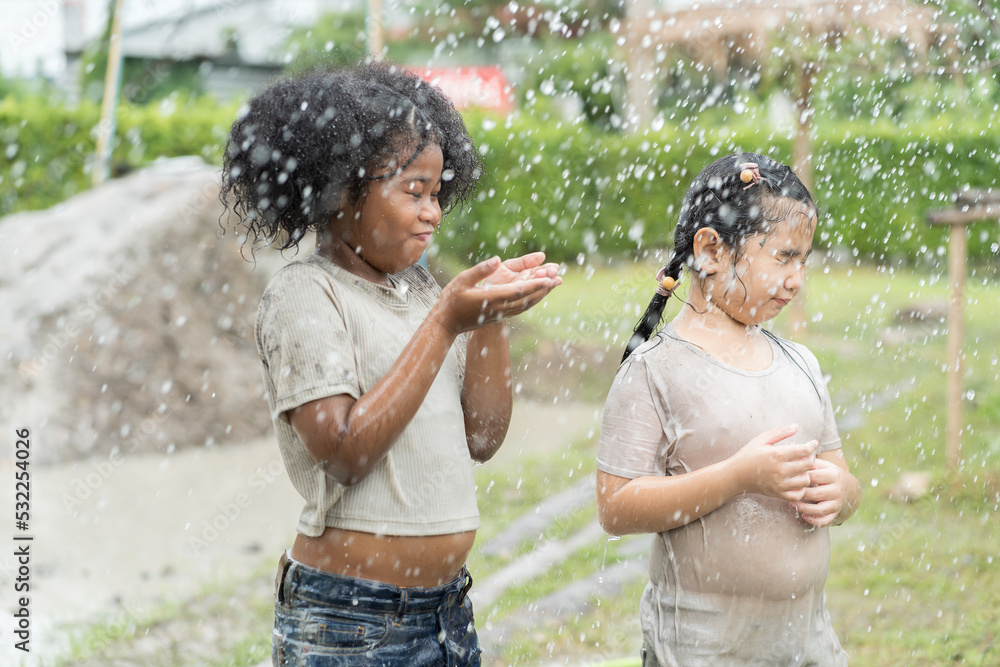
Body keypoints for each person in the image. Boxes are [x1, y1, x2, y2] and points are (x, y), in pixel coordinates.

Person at [220, 61, 561, 666]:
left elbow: (481, 438)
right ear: (340, 191)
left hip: (445, 612)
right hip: (350, 621)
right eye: (413, 191)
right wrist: (448, 322)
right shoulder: (306, 293)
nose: (432, 211)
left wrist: (487, 326)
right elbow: (345, 452)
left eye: (436, 193)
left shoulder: (423, 293)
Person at [596, 153, 861, 666]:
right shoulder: (657, 370)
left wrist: (841, 495)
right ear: (711, 249)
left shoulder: (800, 363)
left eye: (804, 260)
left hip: (804, 644)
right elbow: (615, 507)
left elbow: (842, 477)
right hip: (700, 649)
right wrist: (739, 477)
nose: (797, 279)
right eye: (784, 257)